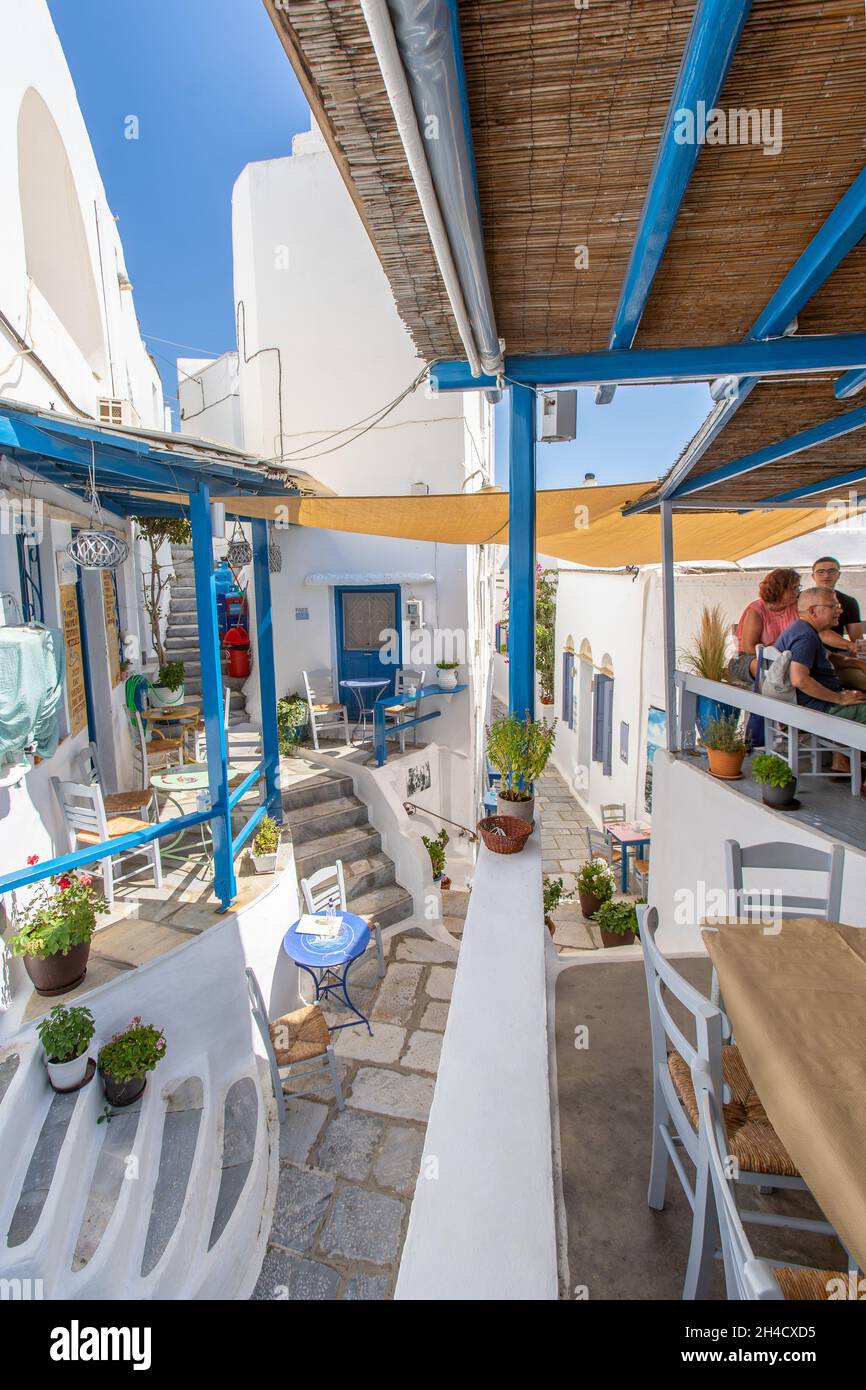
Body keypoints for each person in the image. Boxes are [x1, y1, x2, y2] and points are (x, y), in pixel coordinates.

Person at [776, 588, 866, 777]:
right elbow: (799, 679)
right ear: (812, 611)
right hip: (818, 708)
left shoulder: (802, 629)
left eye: (839, 606)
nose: (839, 610)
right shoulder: (806, 637)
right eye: (833, 605)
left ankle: (843, 763)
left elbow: (829, 656)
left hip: (809, 703)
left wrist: (856, 663)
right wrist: (839, 698)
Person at [727, 568, 802, 686]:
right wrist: (779, 655)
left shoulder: (796, 606)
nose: (797, 592)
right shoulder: (756, 610)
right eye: (793, 588)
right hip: (749, 658)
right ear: (779, 589)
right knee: (770, 669)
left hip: (787, 657)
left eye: (798, 587)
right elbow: (749, 648)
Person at [810, 556, 866, 692]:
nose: (826, 575)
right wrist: (850, 647)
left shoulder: (849, 602)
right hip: (813, 660)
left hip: (840, 657)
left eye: (831, 571)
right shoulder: (801, 600)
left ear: (838, 574)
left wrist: (860, 656)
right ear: (813, 576)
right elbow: (820, 632)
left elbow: (857, 640)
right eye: (821, 572)